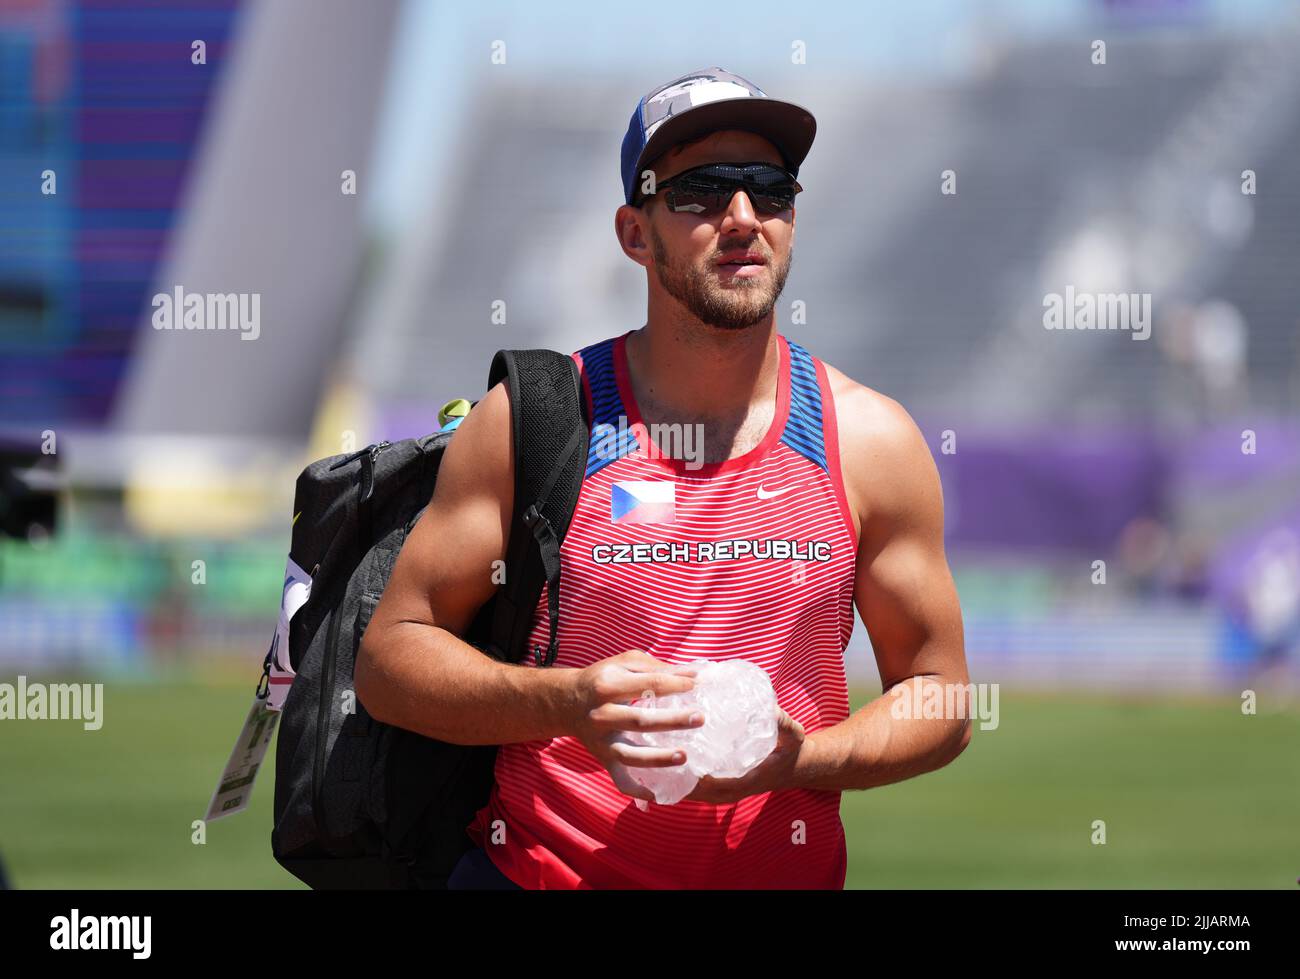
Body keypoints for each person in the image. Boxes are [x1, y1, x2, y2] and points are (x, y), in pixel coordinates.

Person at [356, 67, 970, 889]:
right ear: (634, 233)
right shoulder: (534, 420)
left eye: (771, 189)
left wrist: (800, 760)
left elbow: (941, 697)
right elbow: (390, 661)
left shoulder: (870, 441)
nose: (744, 218)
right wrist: (570, 701)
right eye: (702, 191)